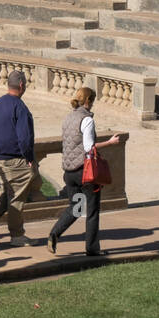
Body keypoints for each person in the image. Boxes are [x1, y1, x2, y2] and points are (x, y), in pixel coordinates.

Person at [47, 87, 120, 256]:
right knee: (92, 210)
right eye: (92, 101)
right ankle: (92, 248)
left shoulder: (67, 118)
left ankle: (54, 234)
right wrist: (110, 142)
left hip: (69, 173)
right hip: (85, 172)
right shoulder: (87, 120)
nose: (93, 105)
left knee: (76, 208)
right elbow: (89, 148)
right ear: (88, 101)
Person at [0, 70, 39, 246]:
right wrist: (29, 158)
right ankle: (17, 236)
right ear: (21, 86)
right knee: (17, 197)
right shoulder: (19, 107)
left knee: (5, 190)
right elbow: (24, 138)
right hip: (16, 158)